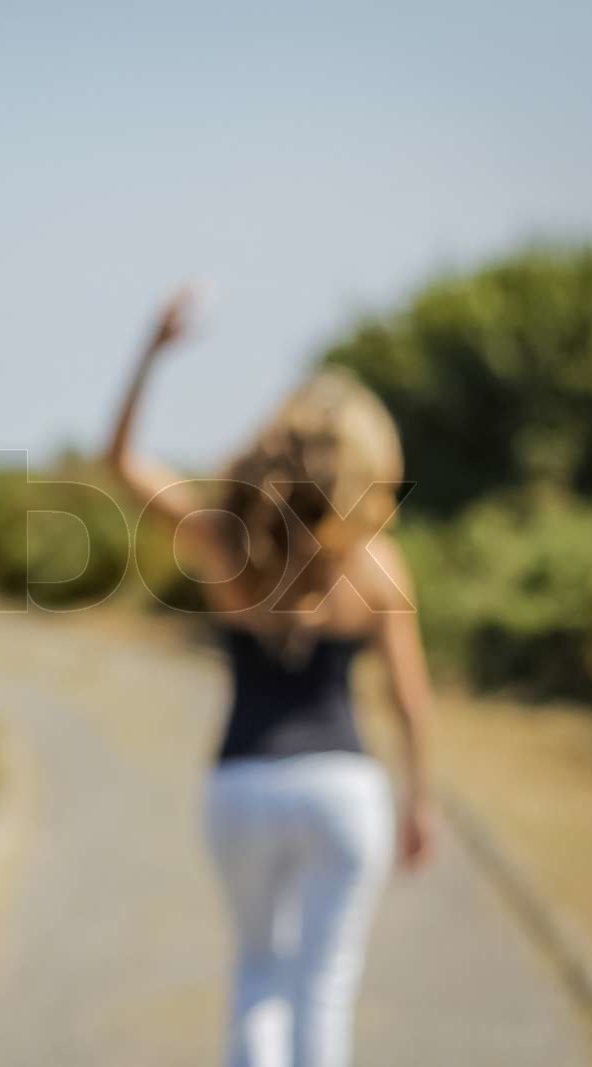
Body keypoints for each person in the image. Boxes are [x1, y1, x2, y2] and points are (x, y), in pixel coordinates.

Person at [104, 286, 436, 1067]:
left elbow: (119, 460)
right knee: (323, 987)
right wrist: (422, 798)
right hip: (346, 794)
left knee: (258, 976)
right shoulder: (378, 564)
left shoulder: (225, 542)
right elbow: (410, 702)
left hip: (242, 786)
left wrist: (152, 349)